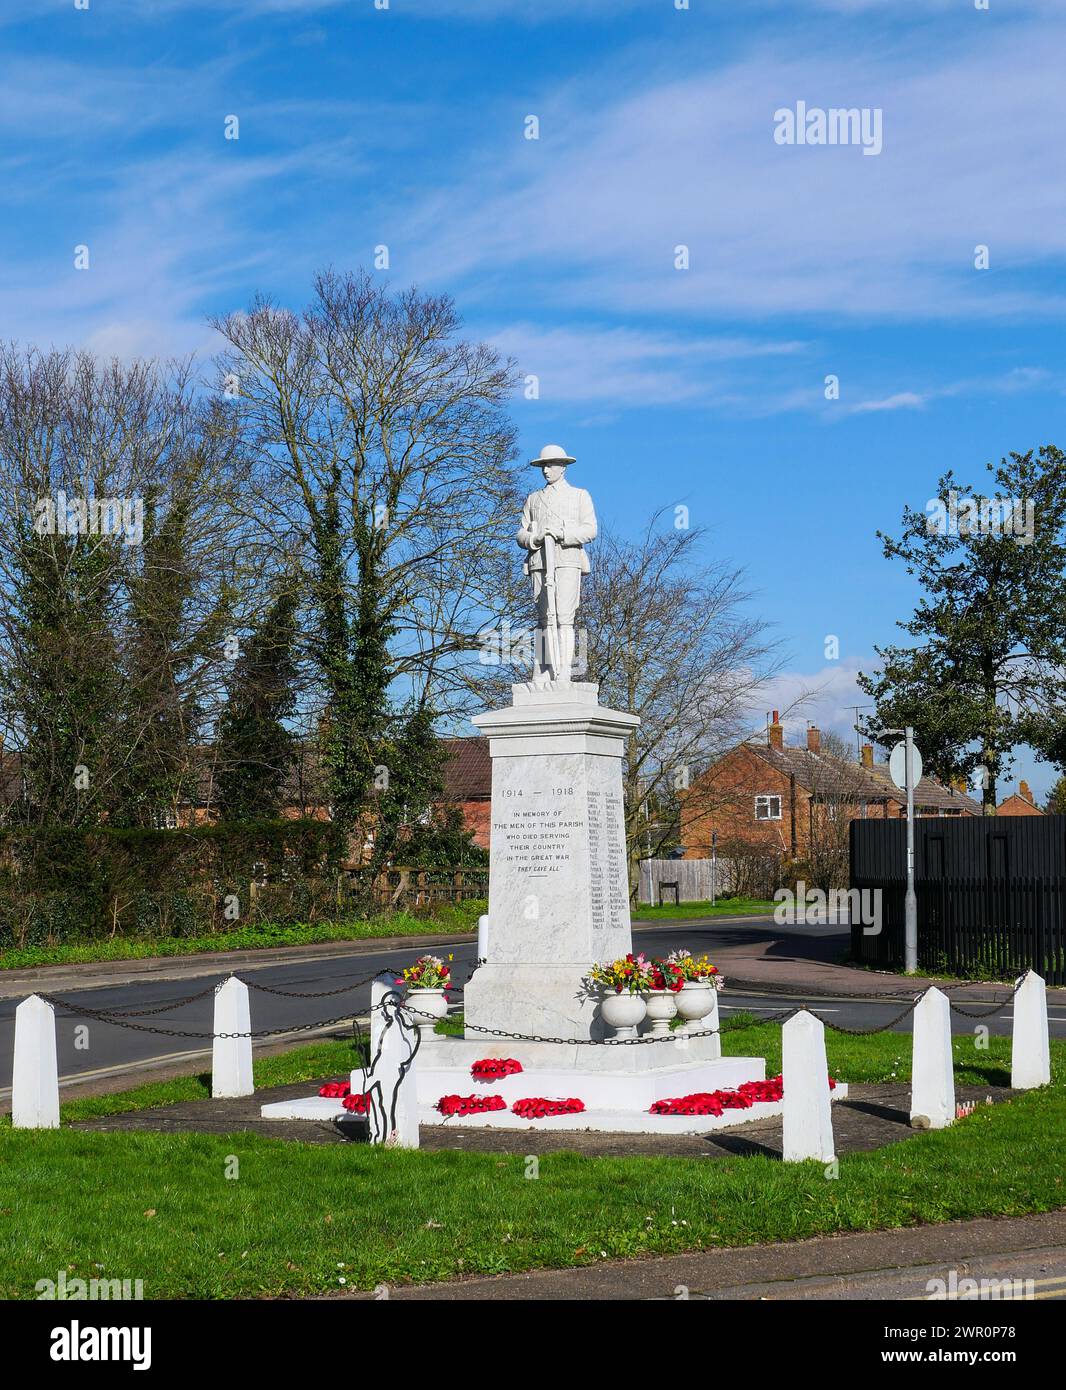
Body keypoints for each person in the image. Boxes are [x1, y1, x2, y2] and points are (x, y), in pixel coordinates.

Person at [517, 443, 597, 686]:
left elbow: (590, 529)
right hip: (540, 563)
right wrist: (534, 538)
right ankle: (543, 668)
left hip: (567, 561)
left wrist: (562, 533)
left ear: (562, 467)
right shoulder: (533, 499)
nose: (546, 470)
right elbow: (521, 533)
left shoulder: (579, 495)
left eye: (550, 465)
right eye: (543, 466)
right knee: (544, 618)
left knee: (564, 616)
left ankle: (563, 669)